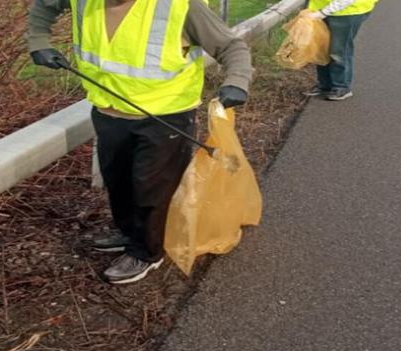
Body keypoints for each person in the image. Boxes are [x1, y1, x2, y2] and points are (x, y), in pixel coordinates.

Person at [28, 0, 254, 284]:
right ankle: (130, 234)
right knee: (118, 181)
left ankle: (147, 252)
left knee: (152, 190)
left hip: (165, 115)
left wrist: (237, 81)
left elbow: (231, 46)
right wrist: (38, 41)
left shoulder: (178, 5)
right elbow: (45, 5)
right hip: (108, 108)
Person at [304, 0, 377, 102]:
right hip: (324, 9)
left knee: (339, 51)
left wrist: (323, 12)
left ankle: (341, 87)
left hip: (347, 11)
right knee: (323, 49)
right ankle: (325, 85)